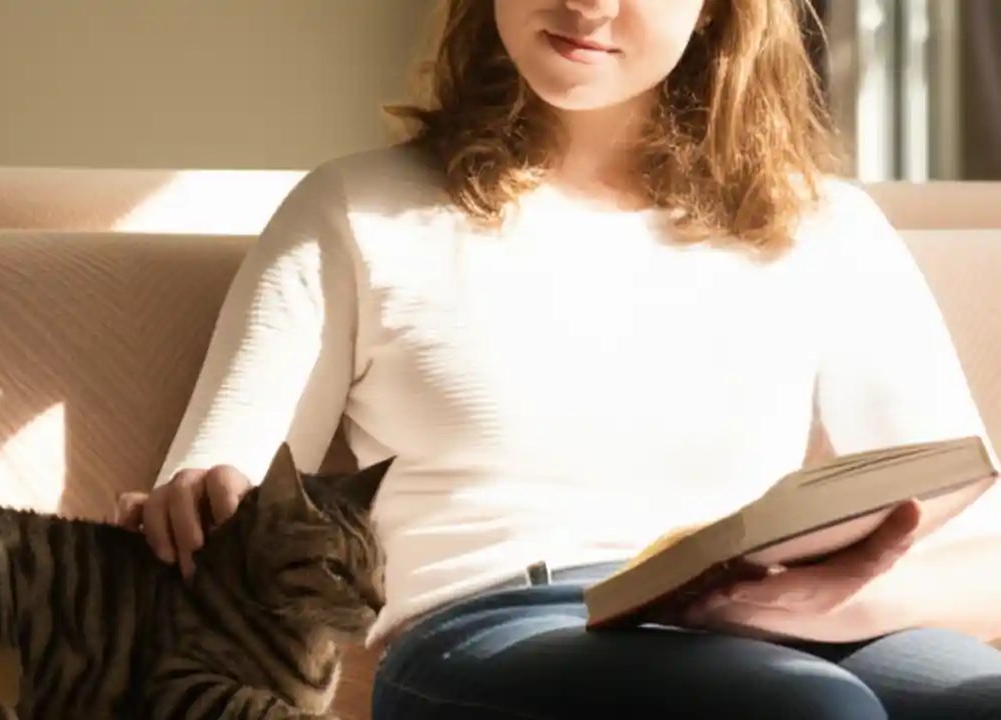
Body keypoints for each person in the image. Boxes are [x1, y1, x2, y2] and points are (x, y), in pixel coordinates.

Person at [117, 0, 1001, 717]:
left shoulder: (825, 228)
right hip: (500, 629)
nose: (587, 3)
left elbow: (982, 554)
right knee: (806, 711)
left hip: (781, 625)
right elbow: (221, 482)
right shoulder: (358, 210)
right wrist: (203, 507)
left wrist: (811, 605)